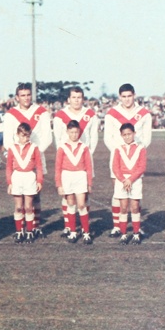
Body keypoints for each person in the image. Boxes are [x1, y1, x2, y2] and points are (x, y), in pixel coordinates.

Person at [2, 83, 52, 236]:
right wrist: (20, 154)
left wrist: (33, 153)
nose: (26, 98)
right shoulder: (11, 114)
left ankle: (34, 226)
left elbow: (47, 137)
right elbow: (7, 139)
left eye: (28, 95)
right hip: (18, 159)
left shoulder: (41, 112)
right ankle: (21, 227)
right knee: (19, 196)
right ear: (17, 97)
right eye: (22, 95)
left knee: (35, 193)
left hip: (36, 156)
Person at [103, 83, 152, 237]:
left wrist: (135, 151)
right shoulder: (111, 113)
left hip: (135, 158)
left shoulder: (144, 113)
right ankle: (117, 226)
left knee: (135, 196)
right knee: (118, 194)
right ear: (119, 97)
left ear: (134, 95)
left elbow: (146, 138)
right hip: (118, 157)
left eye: (129, 96)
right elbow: (107, 138)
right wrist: (121, 151)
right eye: (123, 97)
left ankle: (137, 228)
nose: (126, 99)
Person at [53, 86, 99, 234]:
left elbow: (93, 139)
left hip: (83, 160)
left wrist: (84, 155)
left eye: (79, 97)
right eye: (73, 97)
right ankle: (69, 226)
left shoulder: (90, 115)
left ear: (83, 99)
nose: (76, 100)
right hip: (68, 160)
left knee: (84, 195)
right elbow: (58, 139)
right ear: (68, 99)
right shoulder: (60, 115)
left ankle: (85, 226)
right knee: (68, 196)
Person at [55, 120, 94, 244]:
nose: (74, 135)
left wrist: (89, 183)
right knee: (70, 203)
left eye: (76, 132)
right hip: (67, 176)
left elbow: (88, 166)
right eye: (71, 132)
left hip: (80, 177)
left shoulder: (84, 147)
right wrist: (59, 184)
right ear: (67, 132)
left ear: (79, 132)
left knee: (81, 205)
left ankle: (86, 232)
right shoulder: (62, 147)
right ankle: (72, 231)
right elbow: (58, 167)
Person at [6, 122, 44, 243]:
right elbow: (8, 167)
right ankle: (19, 231)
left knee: (28, 206)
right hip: (17, 177)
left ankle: (29, 231)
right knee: (18, 207)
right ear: (17, 134)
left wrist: (39, 181)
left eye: (27, 136)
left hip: (29, 177)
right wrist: (10, 182)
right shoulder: (12, 148)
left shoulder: (34, 147)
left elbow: (39, 165)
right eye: (22, 135)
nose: (25, 138)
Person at [111, 123, 147, 245]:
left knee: (135, 207)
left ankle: (136, 234)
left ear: (134, 133)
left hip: (135, 180)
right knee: (123, 208)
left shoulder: (140, 148)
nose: (127, 137)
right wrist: (123, 180)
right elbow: (115, 167)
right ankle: (124, 234)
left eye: (129, 134)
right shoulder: (118, 149)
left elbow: (141, 167)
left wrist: (130, 180)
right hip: (122, 181)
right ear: (121, 135)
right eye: (124, 135)